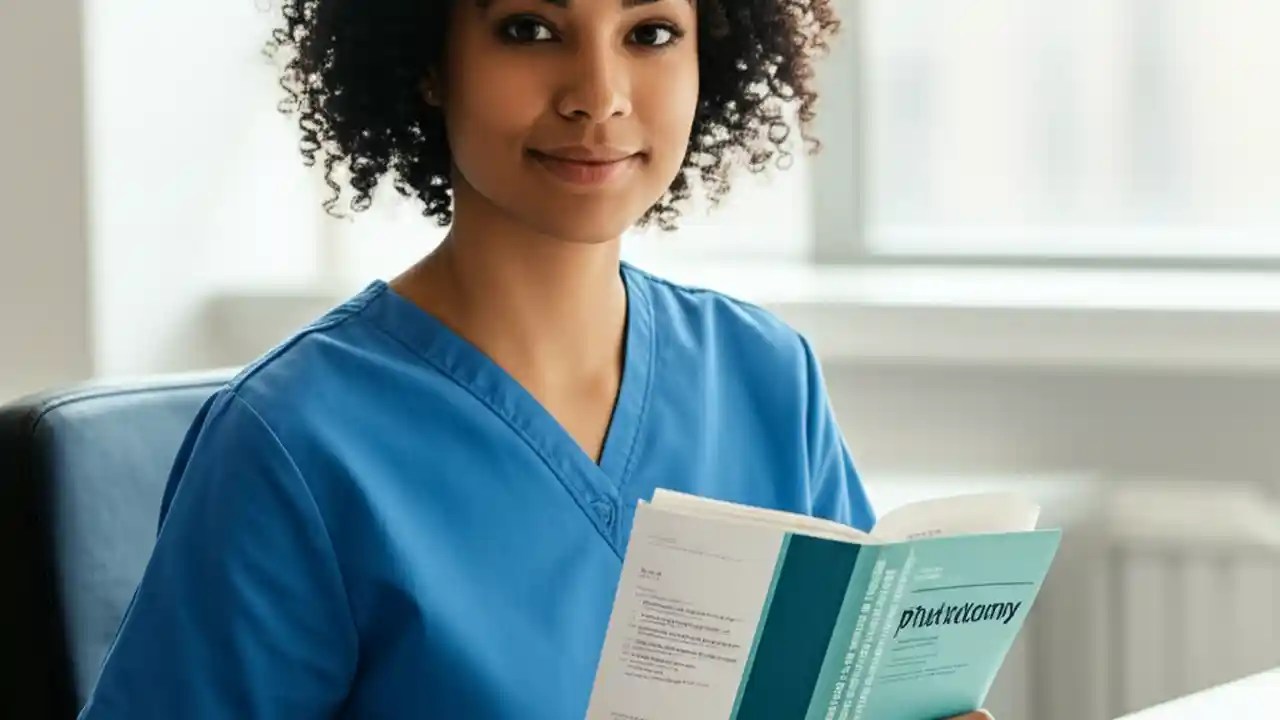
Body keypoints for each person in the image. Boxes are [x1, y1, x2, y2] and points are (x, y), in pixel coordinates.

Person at [78, 0, 990, 718]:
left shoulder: (765, 376)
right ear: (431, 62)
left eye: (651, 32)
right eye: (530, 29)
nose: (598, 92)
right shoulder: (294, 441)